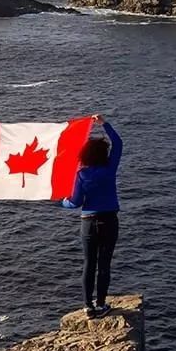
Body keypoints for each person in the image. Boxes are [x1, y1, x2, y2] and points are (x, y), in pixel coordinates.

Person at [62, 115, 122, 318]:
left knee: (89, 264)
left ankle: (88, 306)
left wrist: (60, 201)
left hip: (88, 223)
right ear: (103, 155)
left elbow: (75, 202)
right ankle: (102, 304)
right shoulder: (109, 169)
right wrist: (104, 124)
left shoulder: (81, 174)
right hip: (109, 221)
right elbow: (118, 143)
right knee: (104, 264)